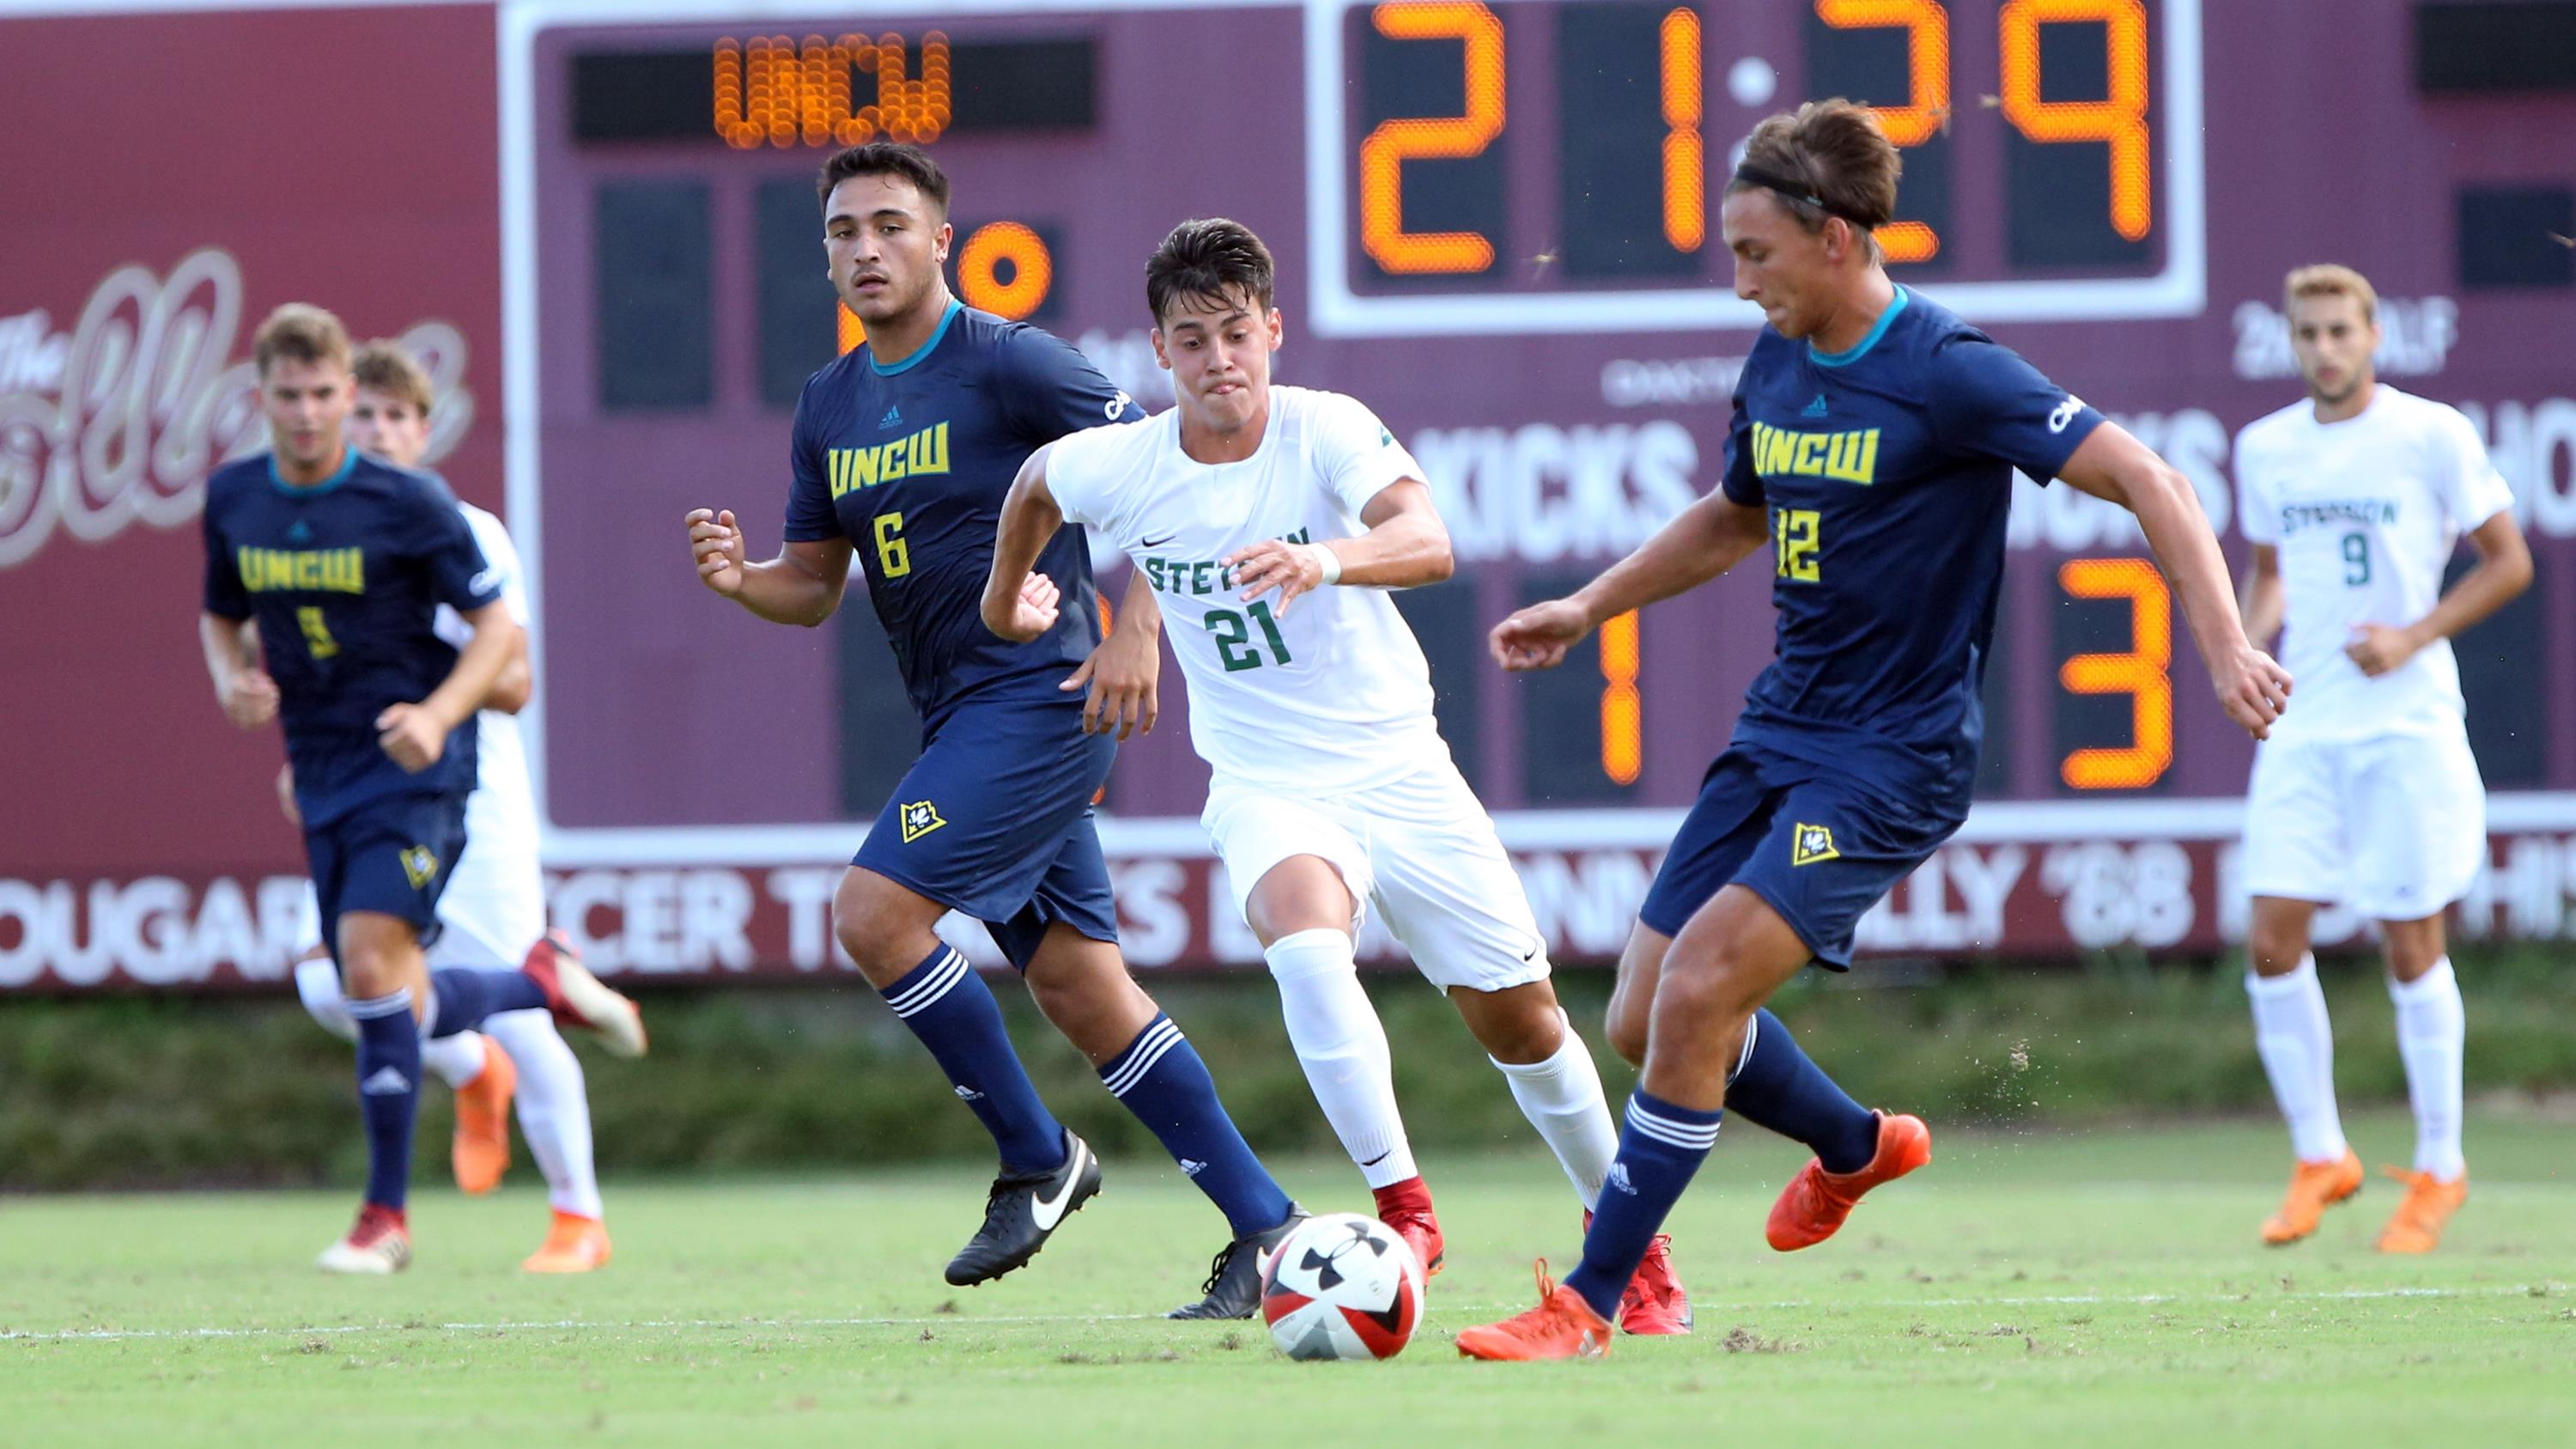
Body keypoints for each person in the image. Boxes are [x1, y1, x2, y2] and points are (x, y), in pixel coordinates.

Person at [1455, 100, 2291, 1360]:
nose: (1742, 282)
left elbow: (2152, 479)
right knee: (1641, 1014)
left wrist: (2224, 646)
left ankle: (1591, 1300)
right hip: (1781, 728)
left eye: (1756, 253)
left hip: (1894, 756)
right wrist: (1591, 604)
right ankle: (1856, 1144)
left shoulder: (1950, 368)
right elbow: (1736, 515)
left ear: (1836, 237)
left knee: (1699, 991)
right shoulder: (1777, 361)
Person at [979, 217, 1691, 1336]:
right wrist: (1004, 601)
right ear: (1159, 353)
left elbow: (1429, 540)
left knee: (1527, 1026)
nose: (1219, 359)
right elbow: (1033, 484)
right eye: (1191, 339)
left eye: (1235, 332)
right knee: (1305, 942)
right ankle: (1406, 1209)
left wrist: (1325, 558)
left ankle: (1633, 1246)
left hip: (1400, 765)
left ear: (1272, 329)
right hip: (1268, 782)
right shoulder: (1121, 463)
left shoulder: (1327, 430)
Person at [683, 143, 1302, 1318]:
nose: (866, 248)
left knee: (873, 912)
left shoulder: (1013, 360)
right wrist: (741, 579)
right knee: (1081, 988)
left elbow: (1181, 474)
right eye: (844, 230)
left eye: (890, 225)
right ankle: (1270, 1228)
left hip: (1044, 699)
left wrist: (1138, 627)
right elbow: (811, 587)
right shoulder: (829, 401)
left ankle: (1037, 1157)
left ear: (941, 241)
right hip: (961, 713)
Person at [200, 304, 644, 1275]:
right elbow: (293, 641)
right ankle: (474, 1059)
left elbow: (515, 679)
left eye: (390, 415)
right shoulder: (279, 506)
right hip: (355, 781)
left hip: (467, 795)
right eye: (362, 414)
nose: (370, 430)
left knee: (462, 1001)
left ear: (421, 428)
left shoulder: (456, 525)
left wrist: (432, 700)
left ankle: (577, 1215)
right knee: (333, 981)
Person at [2233, 264, 2530, 1254]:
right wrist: (2243, 644)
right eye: (2308, 333)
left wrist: (2412, 634)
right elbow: (2271, 573)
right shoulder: (2265, 447)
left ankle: (2441, 1165)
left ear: (2373, 335)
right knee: (2271, 937)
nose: (2325, 349)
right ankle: (2321, 1154)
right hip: (2307, 725)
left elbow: (2509, 561)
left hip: (2406, 725)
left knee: (2411, 942)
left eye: (2340, 331)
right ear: (2291, 340)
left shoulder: (2429, 434)